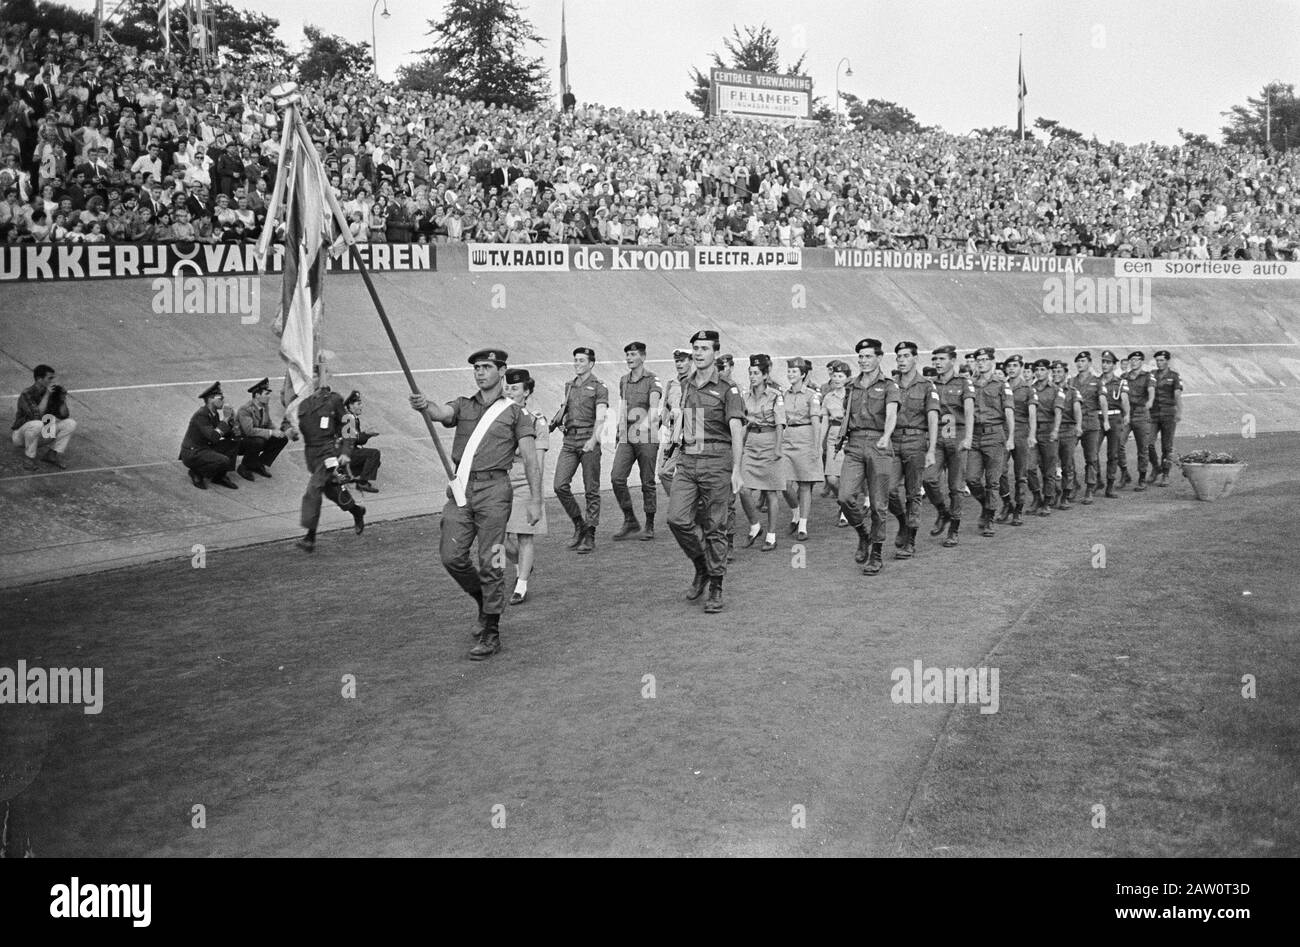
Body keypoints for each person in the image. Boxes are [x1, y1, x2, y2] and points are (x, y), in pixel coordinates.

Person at [410, 348, 540, 659]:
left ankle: (492, 632)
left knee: (491, 560)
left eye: (486, 367)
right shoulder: (463, 405)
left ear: (502, 370)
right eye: (476, 368)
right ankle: (484, 600)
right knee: (451, 556)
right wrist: (424, 405)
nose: (480, 372)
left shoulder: (516, 413)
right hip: (461, 490)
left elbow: (532, 460)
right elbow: (442, 413)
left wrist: (536, 500)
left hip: (495, 490)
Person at [666, 329, 745, 614]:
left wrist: (737, 469)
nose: (698, 353)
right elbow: (685, 420)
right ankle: (701, 565)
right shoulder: (686, 384)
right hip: (688, 460)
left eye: (704, 349)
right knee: (676, 518)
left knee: (715, 527)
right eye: (695, 348)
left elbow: (736, 430)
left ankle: (716, 585)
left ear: (715, 353)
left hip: (717, 461)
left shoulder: (728, 389)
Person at [836, 338, 901, 575]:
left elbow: (892, 414)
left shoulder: (889, 386)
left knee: (878, 504)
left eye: (868, 356)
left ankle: (876, 554)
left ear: (879, 358)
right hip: (854, 444)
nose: (863, 361)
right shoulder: (852, 386)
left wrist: (886, 435)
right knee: (844, 496)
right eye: (861, 357)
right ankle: (863, 534)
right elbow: (846, 414)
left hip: (878, 444)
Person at [295, 360, 366, 551]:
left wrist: (345, 452)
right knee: (331, 490)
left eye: (317, 375)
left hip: (328, 452)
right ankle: (357, 511)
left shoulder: (333, 400)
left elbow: (348, 425)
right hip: (312, 454)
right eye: (311, 375)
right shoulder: (303, 404)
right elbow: (296, 424)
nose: (313, 379)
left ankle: (310, 538)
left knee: (314, 489)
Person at [549, 346, 608, 555]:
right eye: (575, 360)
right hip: (570, 440)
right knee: (560, 485)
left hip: (588, 440)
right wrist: (553, 423)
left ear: (591, 364)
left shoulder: (599, 387)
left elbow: (601, 416)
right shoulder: (570, 386)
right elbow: (563, 408)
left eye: (582, 361)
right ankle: (579, 524)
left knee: (591, 489)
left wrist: (594, 438)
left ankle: (590, 534)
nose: (577, 364)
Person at [886, 341, 939, 558]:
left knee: (913, 493)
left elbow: (933, 418)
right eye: (899, 356)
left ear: (915, 358)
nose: (902, 360)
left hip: (916, 442)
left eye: (906, 356)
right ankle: (902, 522)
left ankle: (910, 541)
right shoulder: (890, 384)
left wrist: (932, 449)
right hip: (893, 440)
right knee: (888, 489)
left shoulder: (927, 385)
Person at [502, 367, 549, 606]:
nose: (510, 392)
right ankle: (518, 567)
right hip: (499, 482)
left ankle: (521, 585)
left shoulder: (536, 420)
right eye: (507, 388)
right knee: (497, 538)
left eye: (516, 389)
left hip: (523, 482)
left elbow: (537, 463)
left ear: (527, 391)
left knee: (524, 537)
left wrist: (536, 497)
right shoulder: (497, 418)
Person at [610, 341, 662, 541]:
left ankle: (649, 524)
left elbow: (654, 409)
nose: (629, 359)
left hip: (647, 436)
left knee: (647, 482)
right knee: (616, 477)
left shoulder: (652, 380)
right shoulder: (624, 380)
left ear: (643, 356)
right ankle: (630, 519)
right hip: (627, 437)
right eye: (627, 355)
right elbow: (623, 406)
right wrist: (619, 429)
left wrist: (642, 427)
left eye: (632, 355)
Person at [923, 345, 974, 547]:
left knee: (956, 487)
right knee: (928, 478)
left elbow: (969, 411)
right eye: (935, 359)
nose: (937, 363)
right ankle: (943, 512)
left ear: (952, 360)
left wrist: (968, 437)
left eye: (942, 359)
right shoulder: (930, 385)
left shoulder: (964, 383)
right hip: (938, 437)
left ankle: (954, 529)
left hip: (958, 435)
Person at [738, 354, 786, 552]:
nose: (752, 377)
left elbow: (780, 423)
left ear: (766, 375)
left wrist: (777, 447)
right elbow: (740, 418)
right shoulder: (744, 396)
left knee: (771, 491)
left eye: (756, 373)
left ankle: (772, 535)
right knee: (743, 489)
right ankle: (755, 525)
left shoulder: (775, 395)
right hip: (751, 443)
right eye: (750, 373)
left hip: (769, 441)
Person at [965, 347, 1014, 538]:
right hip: (976, 435)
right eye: (979, 360)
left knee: (992, 482)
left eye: (985, 359)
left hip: (995, 435)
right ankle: (987, 505)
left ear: (992, 362)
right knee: (971, 478)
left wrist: (1010, 438)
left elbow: (1009, 411)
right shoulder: (970, 384)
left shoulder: (1001, 384)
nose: (981, 363)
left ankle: (990, 519)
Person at [779, 358, 823, 541]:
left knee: (805, 484)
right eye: (789, 371)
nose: (791, 375)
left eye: (794, 372)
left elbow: (815, 421)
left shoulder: (812, 395)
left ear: (803, 375)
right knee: (783, 482)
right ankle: (796, 513)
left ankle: (802, 525)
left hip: (805, 439)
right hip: (787, 439)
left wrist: (816, 445)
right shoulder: (783, 395)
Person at [996, 355, 1039, 526]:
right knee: (999, 471)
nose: (1011, 369)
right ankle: (1007, 504)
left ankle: (1018, 510)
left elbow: (1032, 415)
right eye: (1009, 366)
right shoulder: (1000, 386)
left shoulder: (1028, 389)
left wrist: (1032, 435)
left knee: (1022, 474)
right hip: (1003, 432)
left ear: (1021, 367)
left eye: (1015, 365)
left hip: (1021, 433)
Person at [11, 363, 76, 470]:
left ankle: (51, 455)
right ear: (39, 379)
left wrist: (62, 398)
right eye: (49, 378)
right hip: (21, 437)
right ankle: (29, 459)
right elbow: (36, 415)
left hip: (43, 434)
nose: (52, 381)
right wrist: (47, 395)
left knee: (70, 423)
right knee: (37, 424)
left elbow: (64, 415)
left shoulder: (53, 392)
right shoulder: (27, 393)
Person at [179, 381, 240, 489]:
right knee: (223, 460)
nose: (223, 401)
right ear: (211, 399)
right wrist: (225, 420)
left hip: (204, 447)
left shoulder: (214, 413)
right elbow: (214, 436)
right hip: (193, 452)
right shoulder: (201, 415)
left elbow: (220, 432)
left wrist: (231, 423)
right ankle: (197, 472)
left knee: (232, 443)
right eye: (220, 398)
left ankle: (219, 476)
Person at [233, 377, 290, 480]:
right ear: (257, 395)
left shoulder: (264, 406)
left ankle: (257, 463)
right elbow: (249, 431)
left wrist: (278, 431)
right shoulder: (245, 410)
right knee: (258, 441)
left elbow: (268, 423)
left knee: (282, 439)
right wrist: (271, 432)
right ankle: (244, 467)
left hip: (256, 438)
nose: (269, 396)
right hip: (241, 442)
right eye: (266, 394)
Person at [656, 348, 693, 497]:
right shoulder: (671, 384)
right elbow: (665, 408)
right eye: (677, 361)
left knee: (693, 477)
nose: (679, 364)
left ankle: (693, 509)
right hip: (672, 435)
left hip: (691, 436)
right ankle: (679, 505)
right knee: (663, 472)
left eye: (682, 360)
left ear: (690, 361)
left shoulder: (697, 383)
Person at [819, 360, 851, 526]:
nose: (837, 379)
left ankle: (845, 511)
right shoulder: (828, 397)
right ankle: (843, 503)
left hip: (850, 437)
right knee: (832, 478)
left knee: (846, 476)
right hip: (833, 437)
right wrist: (819, 443)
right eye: (834, 375)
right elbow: (824, 420)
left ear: (847, 377)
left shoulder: (852, 395)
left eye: (841, 376)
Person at [1029, 359, 1061, 515]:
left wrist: (1055, 430)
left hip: (1049, 431)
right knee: (1029, 467)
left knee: (1049, 470)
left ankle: (1047, 501)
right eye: (1037, 369)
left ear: (1048, 371)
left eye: (1042, 369)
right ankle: (1037, 497)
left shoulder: (1055, 390)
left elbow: (1058, 412)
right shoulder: (1029, 389)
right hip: (1032, 432)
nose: (1039, 372)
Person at [1073, 350, 1105, 505]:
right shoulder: (1071, 382)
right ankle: (1072, 484)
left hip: (1091, 423)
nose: (1080, 364)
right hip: (1074, 424)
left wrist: (1105, 420)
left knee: (1091, 458)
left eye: (1083, 361)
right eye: (1078, 361)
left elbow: (1103, 401)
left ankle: (1090, 488)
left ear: (1090, 363)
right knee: (1066, 456)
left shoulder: (1097, 381)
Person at [1121, 351, 1156, 490]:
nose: (1134, 362)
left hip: (1141, 413)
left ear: (1141, 361)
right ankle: (1124, 473)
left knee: (1143, 448)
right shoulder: (1124, 377)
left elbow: (1151, 389)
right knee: (1118, 444)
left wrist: (1151, 401)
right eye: (1132, 360)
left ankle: (1142, 478)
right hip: (1127, 414)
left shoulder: (1147, 376)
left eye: (1137, 359)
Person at [1098, 350, 1130, 499]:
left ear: (1114, 365)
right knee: (1092, 453)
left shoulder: (1120, 382)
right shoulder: (1097, 381)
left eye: (1108, 362)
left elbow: (1124, 400)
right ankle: (1096, 480)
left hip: (1115, 419)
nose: (1105, 365)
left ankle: (1110, 486)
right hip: (1097, 418)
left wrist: (1127, 415)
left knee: (1113, 454)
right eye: (1103, 362)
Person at [1150, 349, 1183, 487]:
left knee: (1167, 446)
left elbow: (1177, 394)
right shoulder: (1152, 375)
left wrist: (1179, 412)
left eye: (1162, 360)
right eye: (1157, 360)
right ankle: (1156, 467)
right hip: (1153, 414)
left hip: (1168, 414)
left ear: (1167, 361)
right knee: (1148, 443)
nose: (1159, 363)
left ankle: (1165, 474)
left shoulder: (1174, 376)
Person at [1051, 360, 1082, 510]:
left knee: (1067, 464)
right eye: (1054, 372)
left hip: (1068, 430)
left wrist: (1078, 426)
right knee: (1050, 465)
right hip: (1051, 431)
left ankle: (1065, 495)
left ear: (1065, 374)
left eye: (1059, 372)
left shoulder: (1072, 391)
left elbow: (1077, 409)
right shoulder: (1048, 390)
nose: (1056, 375)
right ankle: (1056, 492)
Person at [341, 390, 381, 493]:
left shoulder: (352, 417)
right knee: (374, 454)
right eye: (358, 404)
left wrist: (367, 434)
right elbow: (353, 439)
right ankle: (362, 483)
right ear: (350, 405)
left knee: (374, 463)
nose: (361, 406)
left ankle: (345, 474)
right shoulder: (348, 418)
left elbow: (357, 440)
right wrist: (367, 434)